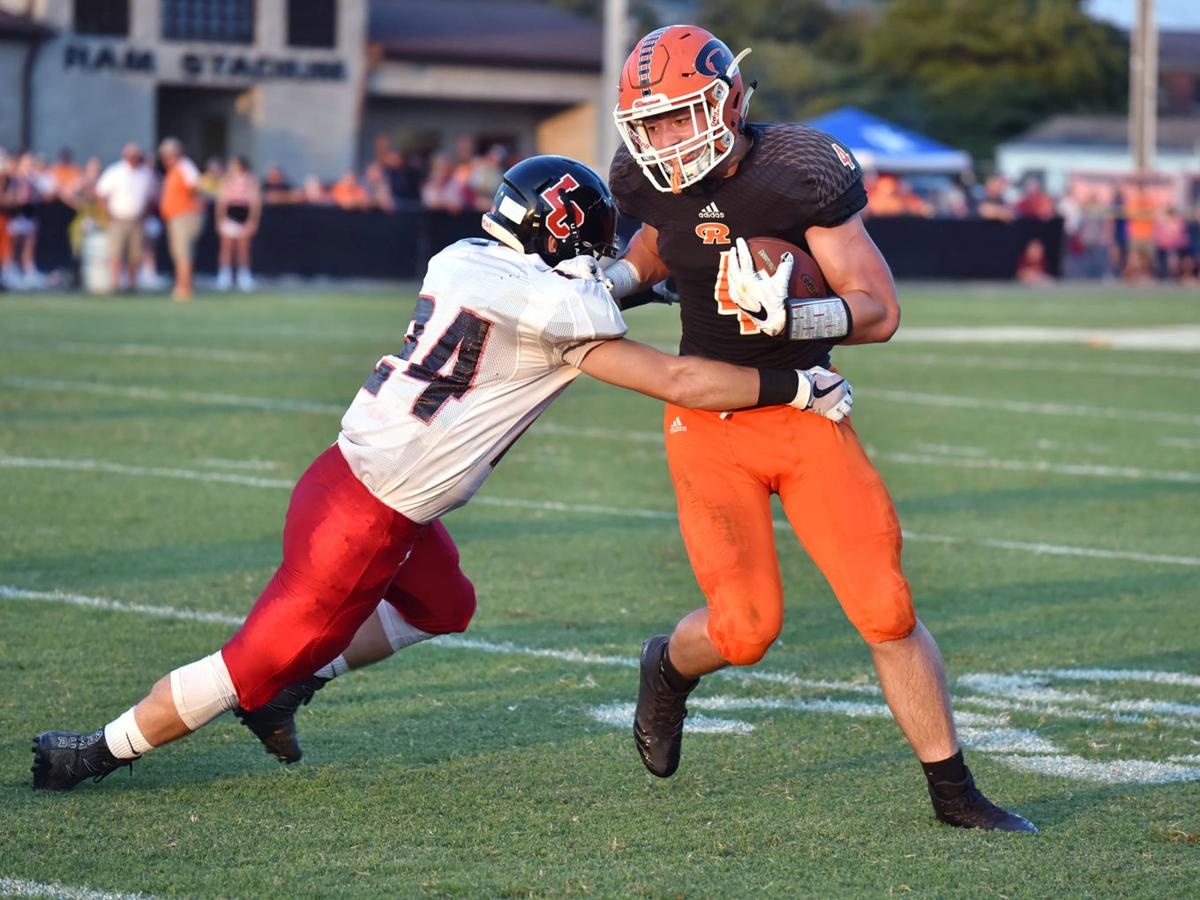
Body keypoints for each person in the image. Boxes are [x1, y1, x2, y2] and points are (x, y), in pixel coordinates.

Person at [30, 154, 851, 789]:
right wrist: (796, 383)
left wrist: (624, 280)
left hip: (355, 481)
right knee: (242, 668)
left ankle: (292, 690)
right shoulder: (560, 306)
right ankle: (94, 752)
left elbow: (570, 292)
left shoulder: (465, 256)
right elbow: (670, 374)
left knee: (444, 604)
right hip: (360, 522)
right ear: (562, 240)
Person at [603, 25, 1035, 833]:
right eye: (651, 123)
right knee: (744, 628)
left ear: (729, 100)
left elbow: (880, 310)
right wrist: (617, 283)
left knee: (886, 606)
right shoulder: (644, 176)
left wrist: (798, 311)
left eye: (681, 115)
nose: (666, 138)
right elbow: (661, 241)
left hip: (805, 407)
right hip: (710, 423)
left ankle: (953, 793)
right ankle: (667, 667)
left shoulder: (797, 172)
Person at [95, 143, 156, 293]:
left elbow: (150, 196)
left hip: (137, 219)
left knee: (135, 254)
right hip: (118, 218)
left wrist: (145, 215)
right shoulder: (116, 172)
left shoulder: (145, 173)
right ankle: (116, 285)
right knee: (116, 252)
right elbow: (101, 193)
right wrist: (106, 215)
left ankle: (132, 285)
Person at [158, 137, 204, 301]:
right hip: (177, 216)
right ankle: (181, 285)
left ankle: (184, 287)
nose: (165, 159)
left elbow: (195, 186)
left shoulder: (185, 166)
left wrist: (189, 205)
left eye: (168, 155)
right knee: (179, 253)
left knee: (183, 252)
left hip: (184, 216)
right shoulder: (176, 169)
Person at [214, 156, 262, 292]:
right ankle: (224, 276)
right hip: (230, 215)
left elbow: (255, 202)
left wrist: (253, 220)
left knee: (243, 248)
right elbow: (221, 201)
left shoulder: (251, 180)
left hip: (244, 215)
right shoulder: (227, 180)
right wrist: (220, 219)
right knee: (226, 247)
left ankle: (244, 276)